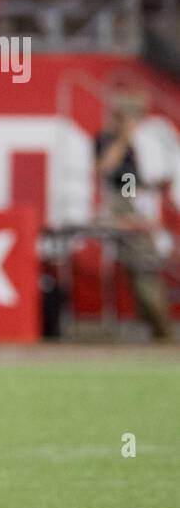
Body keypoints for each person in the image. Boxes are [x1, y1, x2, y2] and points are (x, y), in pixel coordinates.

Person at [96, 93, 174, 341]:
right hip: (121, 202)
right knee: (137, 268)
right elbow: (106, 170)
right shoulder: (108, 140)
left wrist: (144, 211)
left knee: (146, 268)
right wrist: (123, 139)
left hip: (139, 204)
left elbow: (148, 181)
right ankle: (156, 329)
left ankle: (160, 329)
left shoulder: (144, 143)